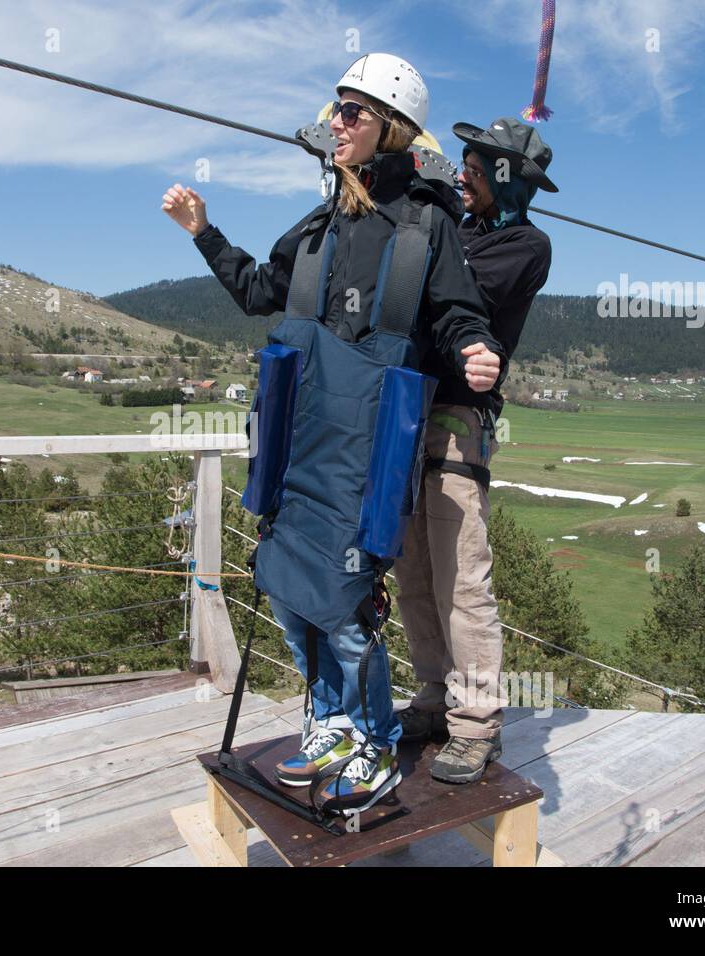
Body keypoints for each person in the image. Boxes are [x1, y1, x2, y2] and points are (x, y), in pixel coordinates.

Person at [161, 54, 506, 810]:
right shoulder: (316, 229)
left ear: (391, 128)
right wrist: (204, 232)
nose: (337, 123)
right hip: (305, 425)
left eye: (353, 111)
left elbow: (454, 312)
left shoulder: (426, 223)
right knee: (286, 578)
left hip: (373, 430)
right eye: (336, 110)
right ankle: (332, 721)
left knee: (346, 592)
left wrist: (475, 349)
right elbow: (259, 292)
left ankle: (374, 741)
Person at [391, 116, 557, 784]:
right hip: (411, 411)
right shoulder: (457, 229)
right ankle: (435, 696)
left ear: (507, 181)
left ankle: (476, 724)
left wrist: (432, 210)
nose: (463, 173)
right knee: (412, 570)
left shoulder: (526, 245)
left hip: (457, 416)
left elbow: (457, 302)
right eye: (461, 162)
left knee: (461, 576)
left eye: (476, 167)